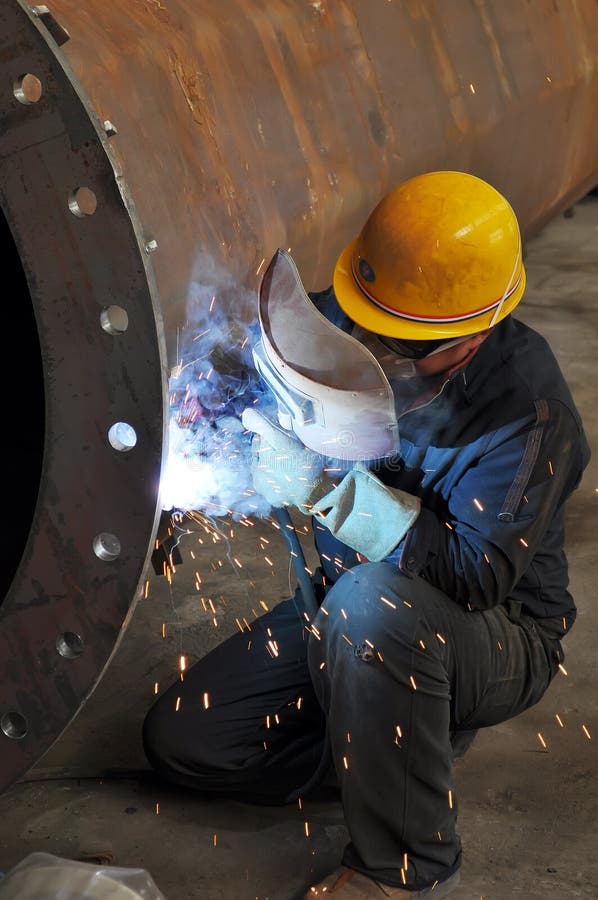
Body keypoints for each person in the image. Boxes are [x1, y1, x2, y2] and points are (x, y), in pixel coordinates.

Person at [142, 171, 590, 898]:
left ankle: (402, 862)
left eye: (405, 343)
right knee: (187, 744)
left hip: (491, 630)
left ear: (470, 337)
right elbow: (254, 360)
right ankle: (396, 733)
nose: (377, 350)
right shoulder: (350, 313)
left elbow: (474, 577)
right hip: (347, 603)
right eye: (370, 326)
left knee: (375, 609)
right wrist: (207, 408)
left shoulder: (528, 416)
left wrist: (325, 490)